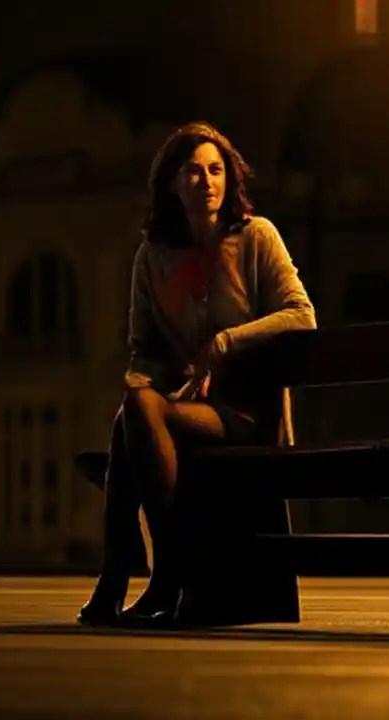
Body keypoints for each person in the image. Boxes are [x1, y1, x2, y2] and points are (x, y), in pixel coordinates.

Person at [77, 121, 317, 629]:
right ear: (171, 184)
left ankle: (142, 576)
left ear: (230, 180)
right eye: (193, 171)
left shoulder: (255, 237)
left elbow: (301, 314)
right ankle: (150, 577)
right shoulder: (152, 258)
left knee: (133, 419)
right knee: (134, 411)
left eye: (216, 170)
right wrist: (148, 380)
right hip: (186, 407)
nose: (206, 181)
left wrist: (226, 343)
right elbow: (143, 350)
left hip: (247, 412)